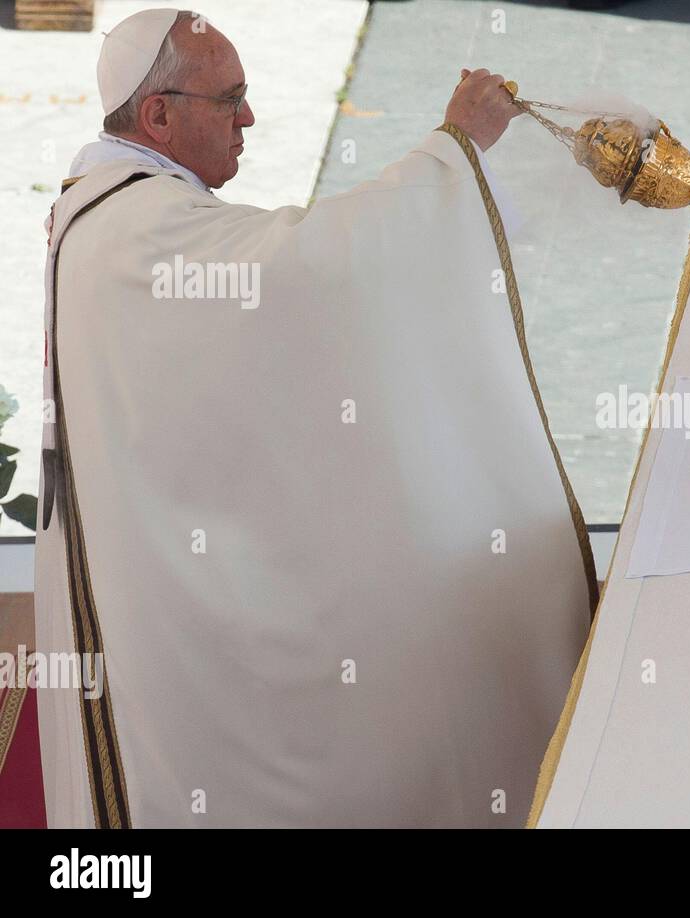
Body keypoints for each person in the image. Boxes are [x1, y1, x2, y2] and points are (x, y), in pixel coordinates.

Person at [36, 8, 597, 828]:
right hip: (158, 607)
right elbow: (306, 275)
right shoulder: (134, 230)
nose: (250, 118)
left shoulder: (111, 217)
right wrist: (453, 151)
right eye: (228, 100)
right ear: (156, 115)